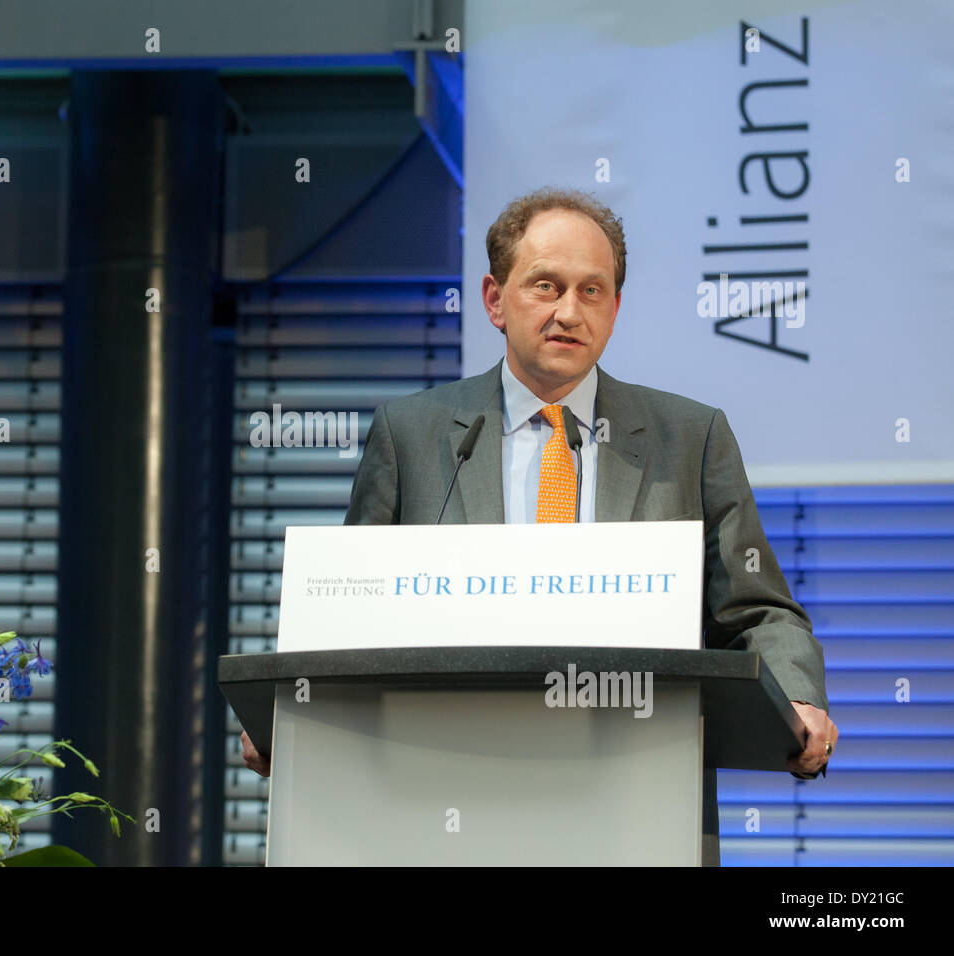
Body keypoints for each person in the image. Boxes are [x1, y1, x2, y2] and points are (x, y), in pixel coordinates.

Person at [240, 186, 838, 865]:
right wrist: (290, 709)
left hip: (638, 804)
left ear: (614, 309)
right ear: (495, 300)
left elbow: (758, 608)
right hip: (441, 805)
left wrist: (796, 696)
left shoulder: (689, 438)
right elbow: (344, 616)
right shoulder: (412, 436)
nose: (568, 311)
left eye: (592, 291)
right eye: (545, 286)